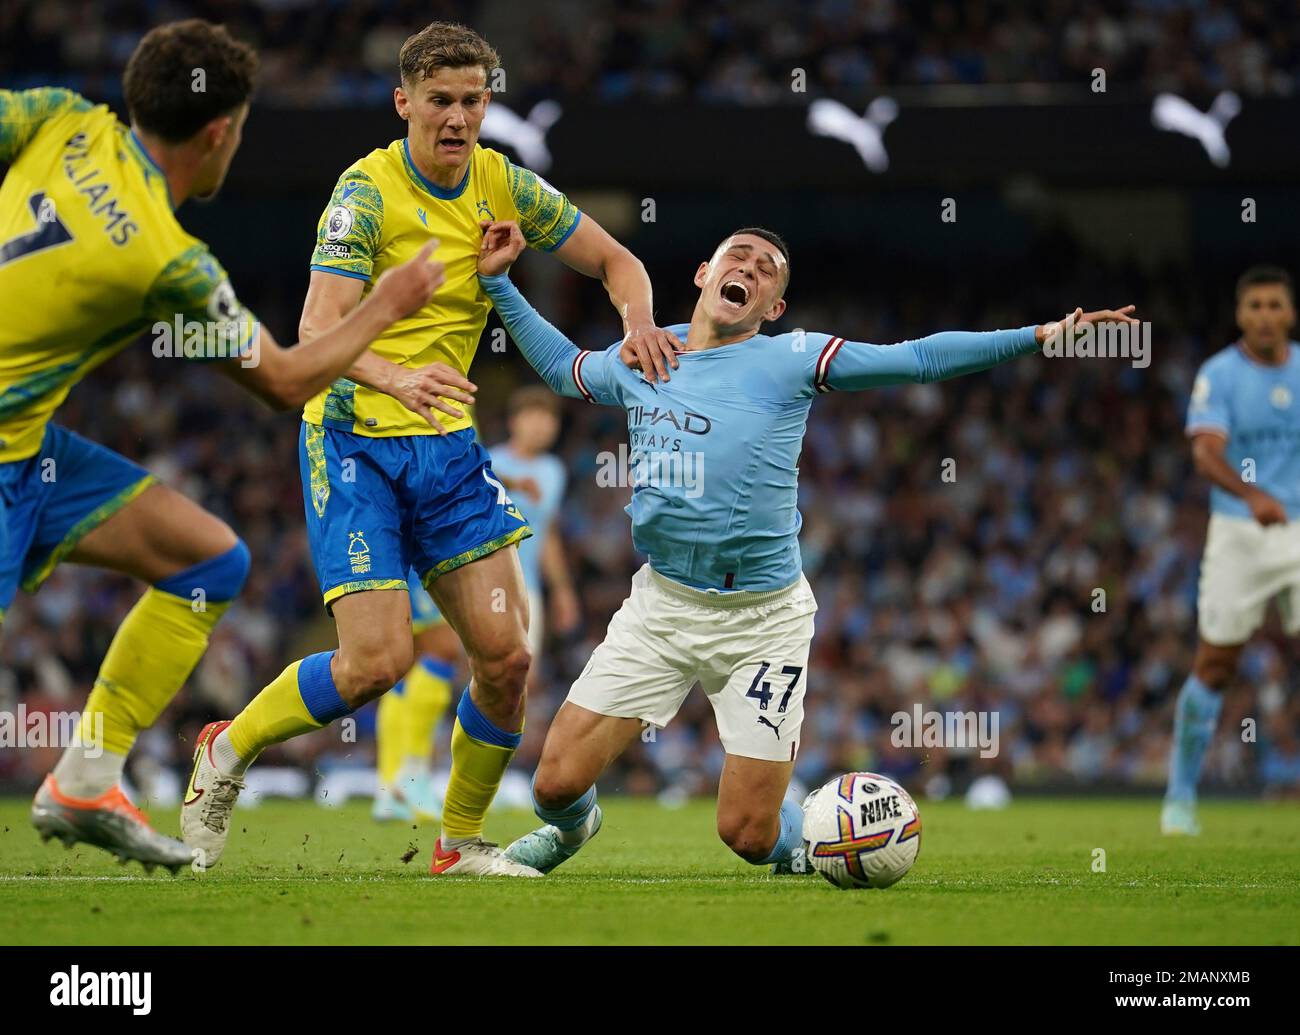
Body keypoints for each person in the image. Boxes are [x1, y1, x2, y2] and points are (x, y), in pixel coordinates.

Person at [473, 219, 1136, 874]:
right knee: (553, 783)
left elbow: (917, 358)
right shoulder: (647, 351)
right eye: (740, 256)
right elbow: (563, 370)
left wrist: (1041, 335)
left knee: (747, 834)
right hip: (662, 606)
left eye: (767, 271)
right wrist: (500, 282)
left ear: (774, 307)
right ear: (705, 274)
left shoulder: (790, 359)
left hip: (762, 619)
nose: (751, 269)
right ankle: (572, 830)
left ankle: (814, 838)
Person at [183, 21, 679, 876]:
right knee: (376, 664)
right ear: (403, 101)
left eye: (473, 100)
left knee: (507, 658)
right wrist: (396, 377)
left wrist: (637, 325)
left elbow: (618, 261)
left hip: (446, 454)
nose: (457, 117)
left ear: (489, 103)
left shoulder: (505, 183)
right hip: (354, 443)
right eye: (441, 100)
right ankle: (226, 751)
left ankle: (456, 843)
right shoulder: (364, 195)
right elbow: (315, 328)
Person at [1, 20, 446, 872]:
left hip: (30, 449)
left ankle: (87, 775)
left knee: (207, 560)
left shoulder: (62, 117)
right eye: (239, 131)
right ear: (219, 132)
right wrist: (385, 306)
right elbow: (282, 382)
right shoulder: (170, 263)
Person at [1163, 265, 1300, 836]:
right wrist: (1253, 494)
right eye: (1255, 306)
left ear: (1290, 313)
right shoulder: (1219, 374)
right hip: (1241, 530)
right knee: (1216, 664)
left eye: (1275, 305)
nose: (1265, 316)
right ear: (1240, 315)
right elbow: (1206, 455)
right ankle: (1180, 796)